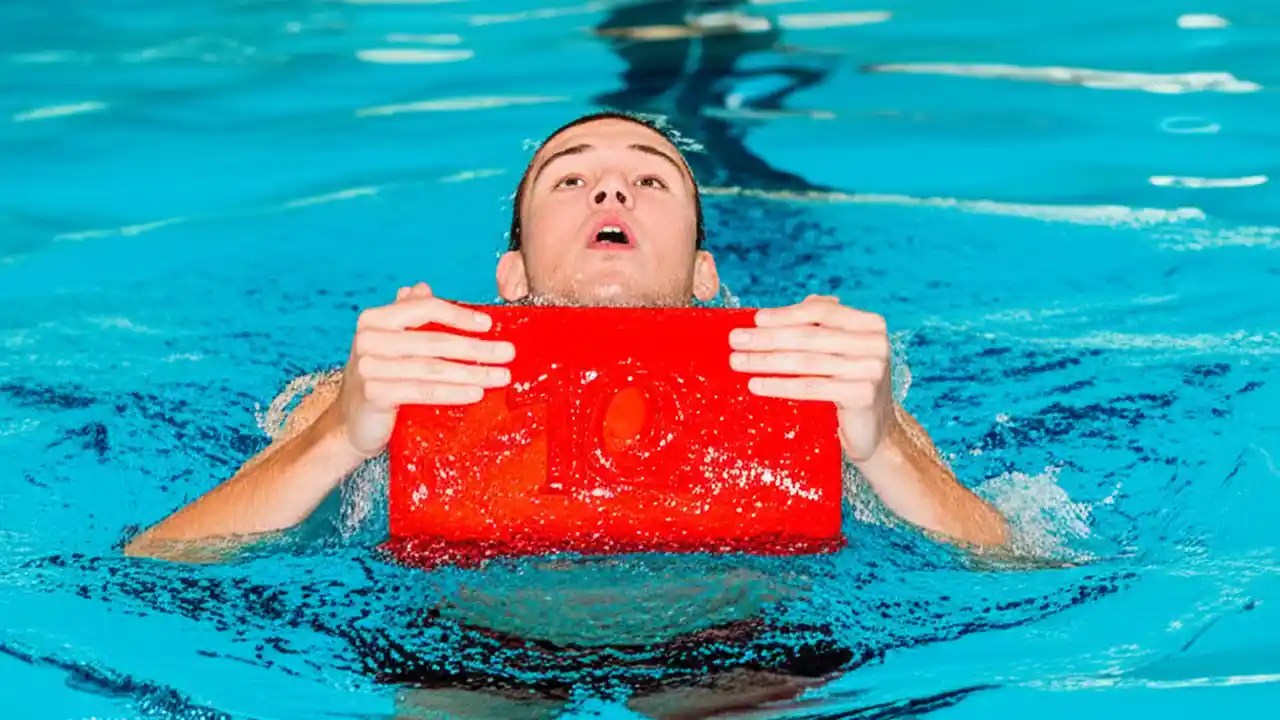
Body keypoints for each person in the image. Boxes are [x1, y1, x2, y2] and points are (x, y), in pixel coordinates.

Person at [124, 111, 1010, 716]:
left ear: (706, 278)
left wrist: (885, 445)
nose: (611, 195)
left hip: (738, 638)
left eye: (651, 182)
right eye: (570, 179)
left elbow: (1019, 568)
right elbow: (156, 567)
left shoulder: (816, 384)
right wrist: (338, 436)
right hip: (470, 645)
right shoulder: (391, 381)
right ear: (510, 279)